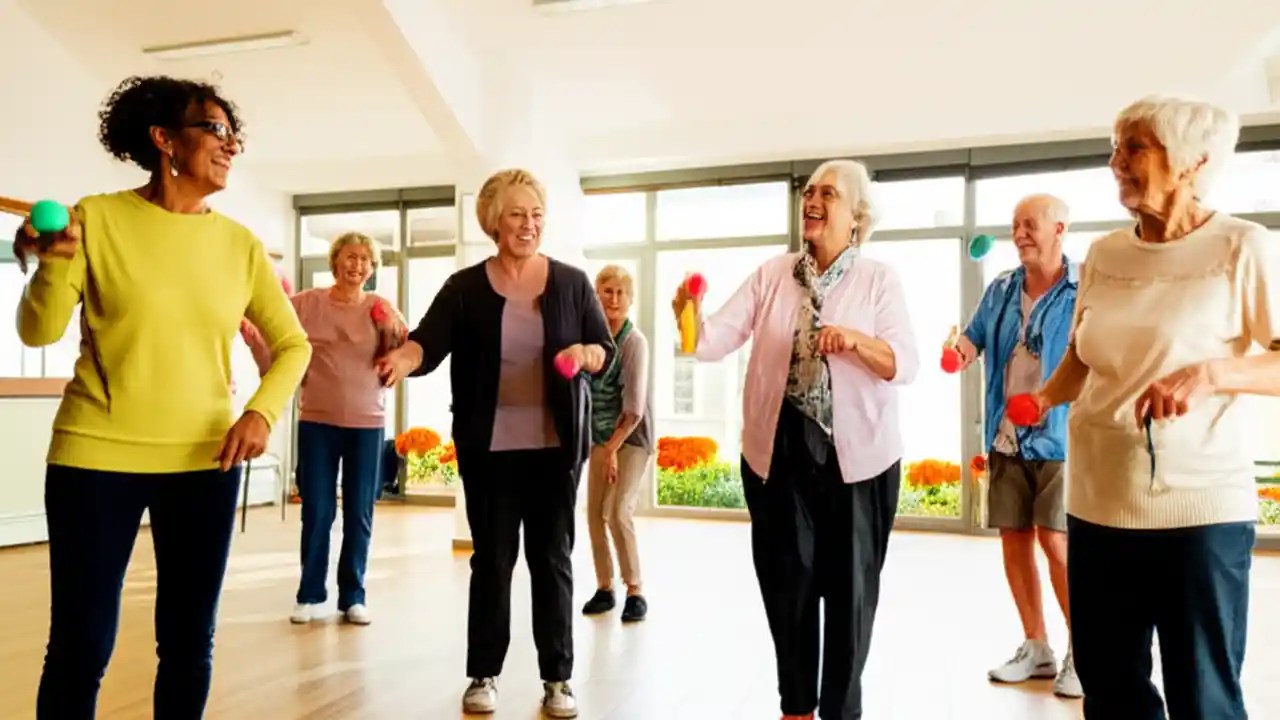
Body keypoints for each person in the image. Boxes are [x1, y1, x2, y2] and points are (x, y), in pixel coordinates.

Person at [12, 75, 310, 719]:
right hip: (94, 457)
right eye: (216, 130)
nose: (231, 146)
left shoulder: (240, 245)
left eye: (235, 135)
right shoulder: (98, 217)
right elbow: (40, 329)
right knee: (80, 646)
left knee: (187, 642)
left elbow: (294, 345)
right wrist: (52, 264)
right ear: (164, 139)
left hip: (204, 463)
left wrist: (261, 411)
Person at [1028, 95, 1280, 719]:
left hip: (1197, 510)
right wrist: (1041, 398)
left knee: (1205, 698)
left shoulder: (1242, 246)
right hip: (1096, 502)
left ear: (1193, 161)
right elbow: (1083, 358)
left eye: (1136, 147)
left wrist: (1212, 372)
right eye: (1115, 146)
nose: (1116, 162)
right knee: (1111, 692)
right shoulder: (1107, 255)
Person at [672, 159, 918, 720]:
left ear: (856, 216)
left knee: (851, 599)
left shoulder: (879, 279)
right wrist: (688, 314)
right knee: (789, 589)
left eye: (827, 193)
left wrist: (855, 341)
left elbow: (905, 362)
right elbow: (710, 341)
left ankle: (840, 711)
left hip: (861, 464)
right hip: (779, 456)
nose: (812, 199)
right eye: (808, 190)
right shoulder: (774, 273)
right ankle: (796, 709)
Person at [376, 168, 614, 718]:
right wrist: (399, 360)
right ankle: (483, 673)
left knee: (552, 561)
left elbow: (604, 347)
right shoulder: (465, 288)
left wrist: (587, 356)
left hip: (555, 450)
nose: (528, 225)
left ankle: (558, 678)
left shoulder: (572, 282)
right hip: (490, 450)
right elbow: (426, 345)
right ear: (492, 221)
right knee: (493, 561)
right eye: (516, 214)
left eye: (536, 215)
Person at [953, 194, 1082, 698]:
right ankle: (1037, 646)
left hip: (1060, 436)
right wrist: (959, 352)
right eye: (1015, 225)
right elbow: (975, 336)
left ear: (1059, 229)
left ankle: (1084, 651)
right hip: (1007, 435)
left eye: (1031, 224)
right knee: (1015, 541)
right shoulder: (1003, 287)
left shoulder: (1082, 287)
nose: (1020, 233)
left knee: (1057, 542)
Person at [245, 232, 403, 626]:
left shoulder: (380, 307)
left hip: (367, 423)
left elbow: (402, 349)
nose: (357, 265)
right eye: (351, 257)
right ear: (335, 262)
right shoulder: (307, 304)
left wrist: (394, 341)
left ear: (372, 268)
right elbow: (273, 335)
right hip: (317, 420)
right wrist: (251, 335)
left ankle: (353, 596)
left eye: (366, 259)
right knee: (317, 509)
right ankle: (309, 594)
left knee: (359, 512)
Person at [581, 265, 654, 623]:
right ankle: (604, 587)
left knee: (618, 510)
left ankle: (635, 590)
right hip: (599, 435)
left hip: (631, 436)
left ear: (630, 299)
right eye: (606, 291)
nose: (613, 298)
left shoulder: (634, 342)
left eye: (620, 292)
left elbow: (635, 410)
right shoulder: (593, 340)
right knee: (594, 512)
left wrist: (611, 450)